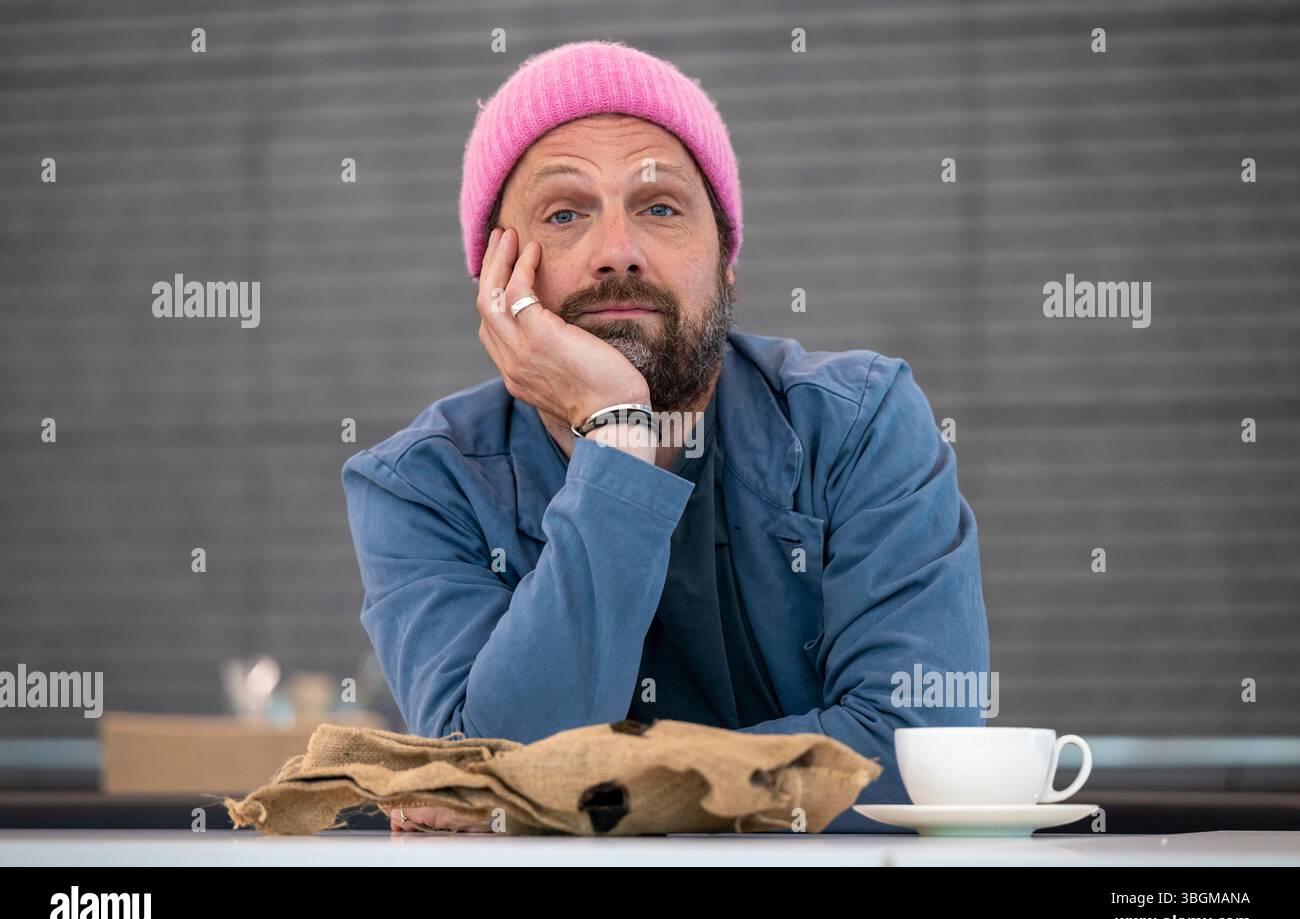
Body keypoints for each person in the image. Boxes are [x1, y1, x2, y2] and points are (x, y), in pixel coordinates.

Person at [343, 41, 990, 834]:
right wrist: (617, 436)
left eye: (659, 208)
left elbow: (914, 757)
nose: (617, 251)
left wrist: (600, 791)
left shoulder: (858, 422)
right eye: (565, 214)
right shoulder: (420, 487)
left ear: (725, 264)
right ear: (496, 280)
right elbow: (497, 774)